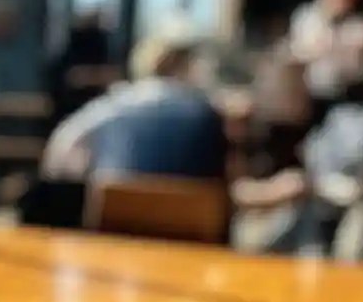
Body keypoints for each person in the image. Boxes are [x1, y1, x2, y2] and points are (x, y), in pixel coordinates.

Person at [40, 20, 226, 183]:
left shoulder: (116, 105)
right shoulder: (202, 111)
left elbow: (60, 154)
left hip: (116, 213)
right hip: (189, 216)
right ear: (184, 62)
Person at [289, 0, 363, 125]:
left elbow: (359, 68)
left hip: (351, 101)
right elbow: (301, 52)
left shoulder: (362, 25)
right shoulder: (306, 18)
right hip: (310, 102)